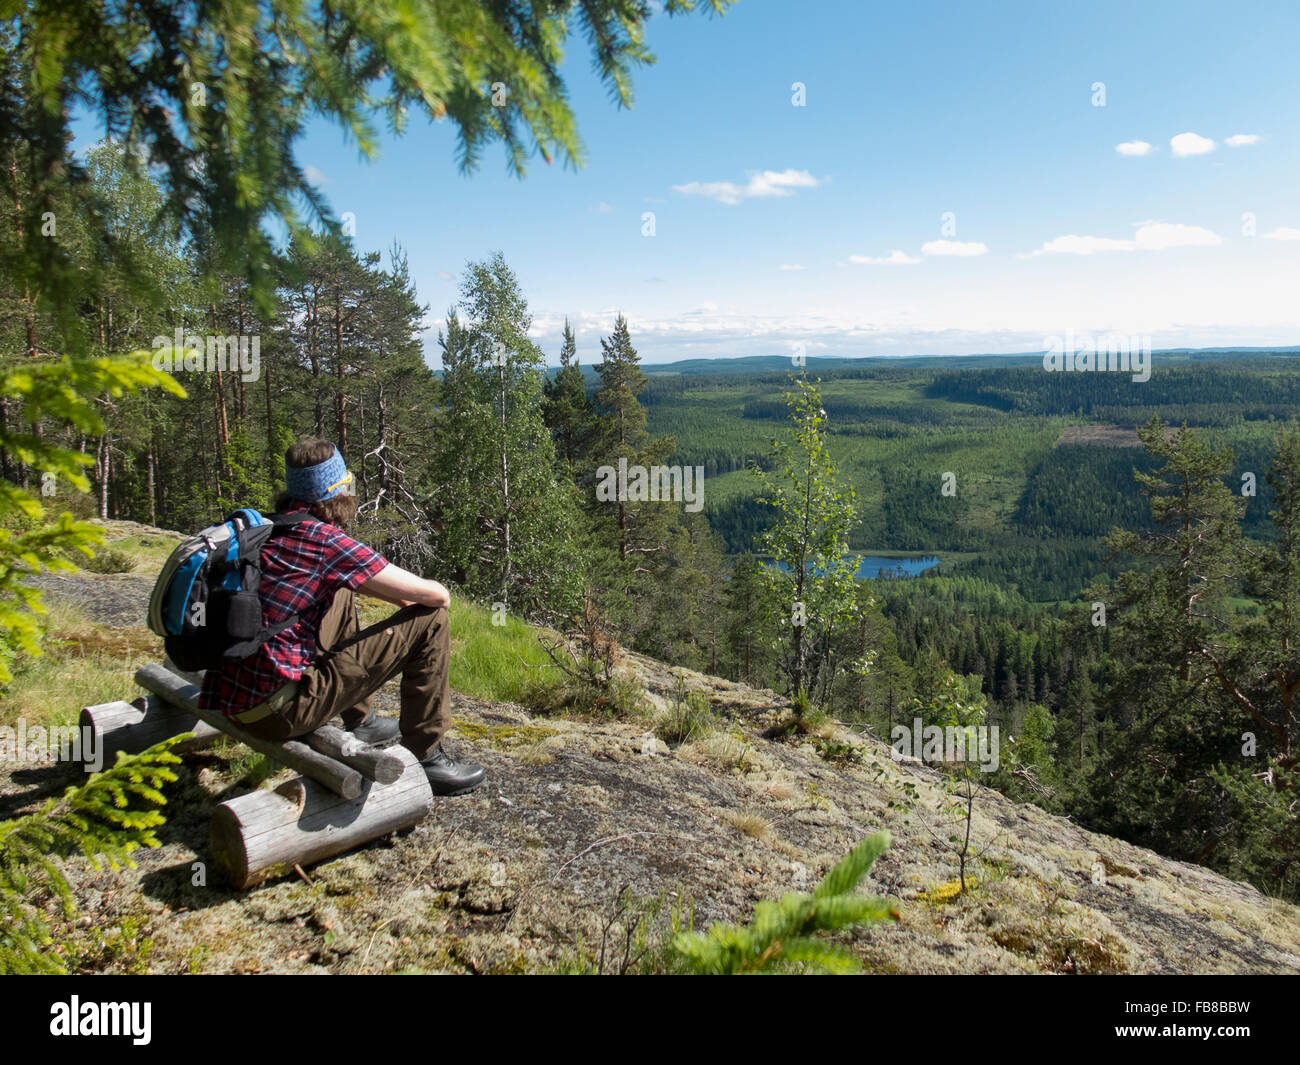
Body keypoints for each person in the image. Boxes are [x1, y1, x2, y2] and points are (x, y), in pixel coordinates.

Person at [196, 436, 485, 795]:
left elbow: (356, 581)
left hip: (234, 701)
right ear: (337, 491)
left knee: (344, 587)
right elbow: (436, 596)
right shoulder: (325, 542)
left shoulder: (267, 529)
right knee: (433, 619)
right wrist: (414, 607)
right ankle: (425, 756)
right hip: (279, 713)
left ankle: (361, 720)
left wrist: (399, 602)